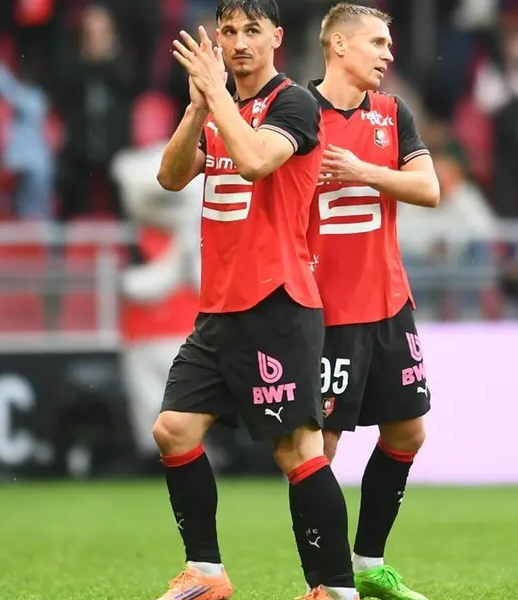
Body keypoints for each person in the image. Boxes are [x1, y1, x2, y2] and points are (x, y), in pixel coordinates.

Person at [154, 2, 359, 600]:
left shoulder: (295, 103)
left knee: (296, 448)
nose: (239, 42)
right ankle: (207, 575)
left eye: (251, 30)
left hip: (277, 301)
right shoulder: (218, 107)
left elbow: (253, 161)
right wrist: (197, 108)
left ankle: (334, 588)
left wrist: (215, 96)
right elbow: (170, 177)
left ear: (276, 37)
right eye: (228, 31)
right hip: (219, 307)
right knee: (173, 430)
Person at [301, 4, 440, 600]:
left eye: (390, 43)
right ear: (337, 44)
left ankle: (367, 564)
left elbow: (429, 188)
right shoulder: (295, 112)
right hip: (326, 313)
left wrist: (362, 170)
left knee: (408, 432)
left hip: (388, 302)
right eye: (377, 42)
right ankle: (327, 585)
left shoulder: (391, 113)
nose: (388, 54)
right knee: (319, 451)